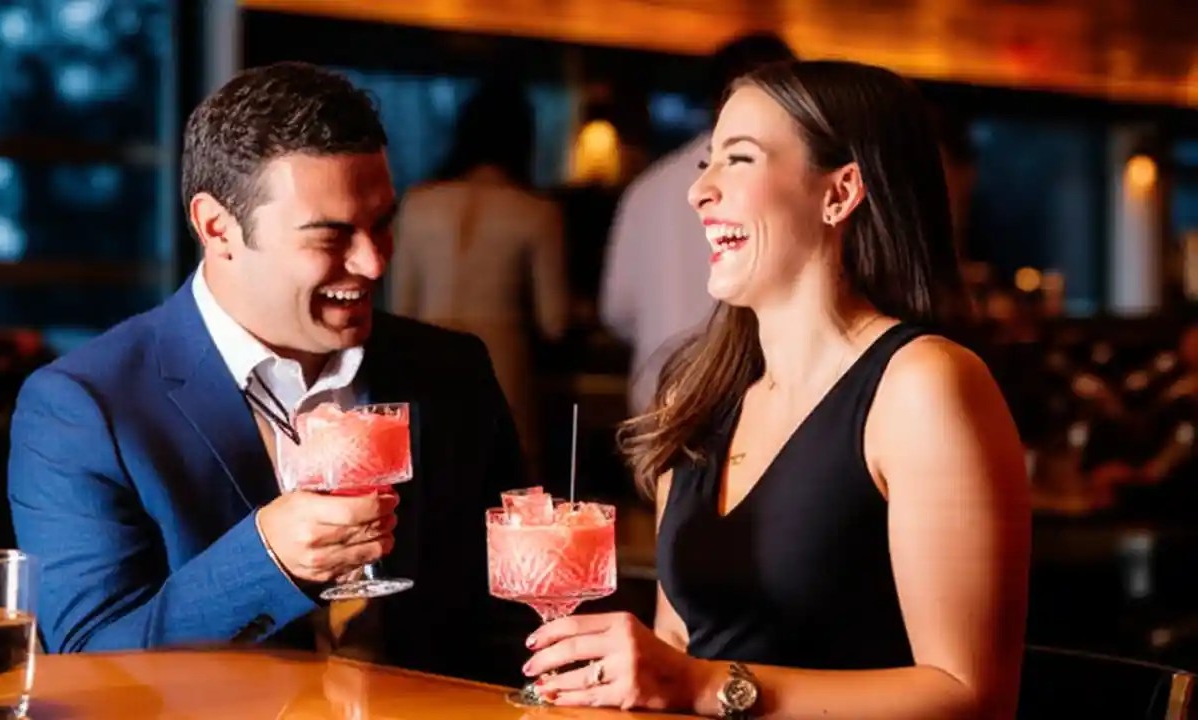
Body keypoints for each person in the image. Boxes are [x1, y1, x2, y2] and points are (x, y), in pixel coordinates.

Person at [519, 61, 1031, 718]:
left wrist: (701, 686)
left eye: (738, 159)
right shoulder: (698, 391)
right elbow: (679, 646)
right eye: (708, 161)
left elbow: (974, 696)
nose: (699, 191)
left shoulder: (923, 385)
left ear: (840, 193)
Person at [7, 62, 527, 682]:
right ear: (217, 228)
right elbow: (88, 663)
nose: (373, 261)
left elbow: (509, 628)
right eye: (329, 236)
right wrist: (267, 560)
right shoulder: (83, 407)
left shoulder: (450, 371)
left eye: (383, 223)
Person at [599, 33, 796, 416]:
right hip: (748, 402)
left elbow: (616, 310)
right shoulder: (781, 185)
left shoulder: (649, 186)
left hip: (655, 404)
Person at [390, 78, 566, 471]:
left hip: (423, 356)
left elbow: (399, 305)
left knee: (426, 483)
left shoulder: (419, 203)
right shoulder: (536, 212)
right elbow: (554, 321)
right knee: (504, 494)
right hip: (502, 361)